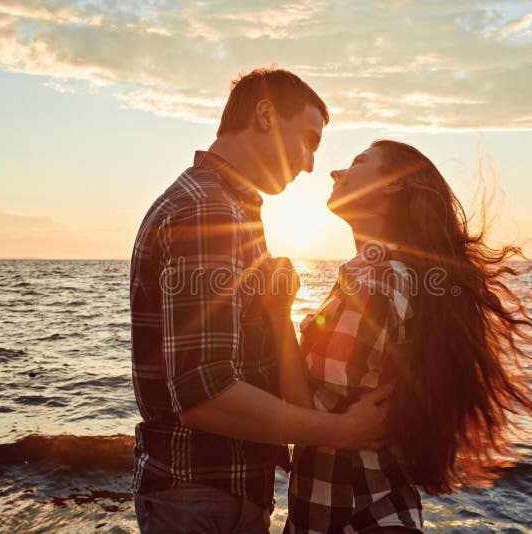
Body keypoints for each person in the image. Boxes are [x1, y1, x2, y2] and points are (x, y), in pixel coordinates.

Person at [130, 68, 393, 533]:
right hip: (202, 501)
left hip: (213, 496)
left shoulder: (227, 209)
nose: (311, 163)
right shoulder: (208, 209)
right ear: (266, 114)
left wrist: (277, 315)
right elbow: (204, 395)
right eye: (308, 140)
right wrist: (343, 431)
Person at [274, 140, 532, 533]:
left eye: (358, 162)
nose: (336, 172)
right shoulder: (398, 276)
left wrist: (277, 318)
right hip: (360, 510)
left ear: (394, 184)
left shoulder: (380, 280)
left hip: (357, 516)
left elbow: (307, 410)